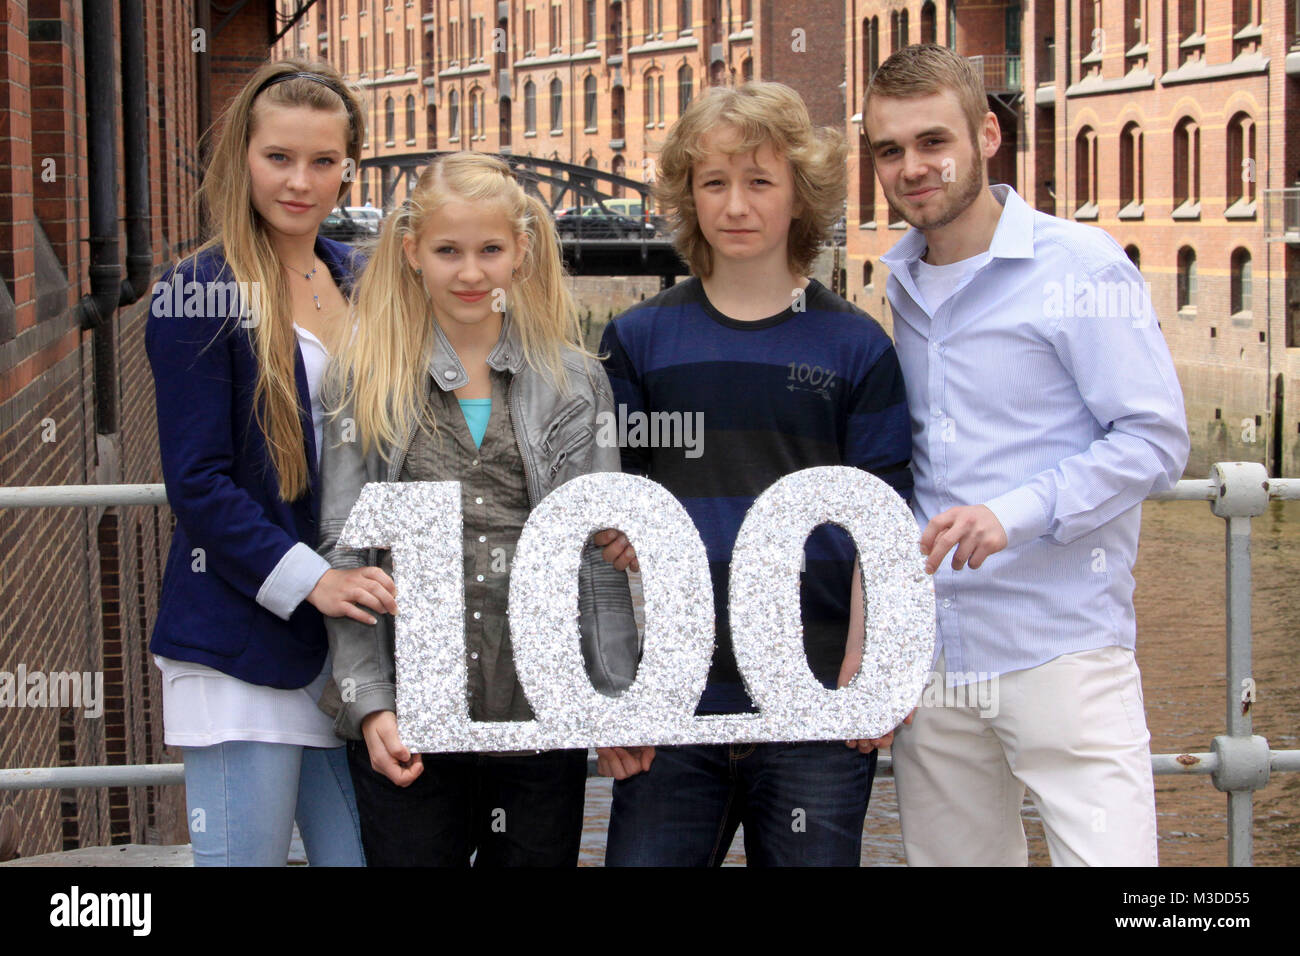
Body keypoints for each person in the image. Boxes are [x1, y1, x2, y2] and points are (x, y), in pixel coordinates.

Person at [863, 43, 1190, 866]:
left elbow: (1154, 440)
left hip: (1062, 646)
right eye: (890, 150)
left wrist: (1013, 515)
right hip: (936, 659)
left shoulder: (1079, 265)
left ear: (986, 135)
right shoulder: (897, 281)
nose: (913, 168)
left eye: (933, 142)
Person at [595, 82, 913, 867]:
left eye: (760, 182)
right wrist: (613, 691)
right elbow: (607, 511)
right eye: (714, 183)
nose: (736, 205)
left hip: (815, 691)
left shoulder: (855, 348)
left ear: (799, 198)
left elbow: (885, 523)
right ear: (687, 197)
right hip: (676, 694)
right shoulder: (638, 340)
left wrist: (871, 667)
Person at [317, 151, 640, 867]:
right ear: (412, 254)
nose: (470, 273)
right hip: (413, 709)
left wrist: (615, 695)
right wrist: (371, 703)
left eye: (490, 249)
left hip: (536, 707)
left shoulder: (575, 381)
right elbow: (346, 553)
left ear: (521, 252)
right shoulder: (365, 379)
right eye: (447, 251)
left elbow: (595, 558)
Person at [146, 60, 393, 866]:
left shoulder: (361, 280)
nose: (300, 181)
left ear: (348, 165)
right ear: (242, 160)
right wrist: (311, 580)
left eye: (323, 161)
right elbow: (198, 482)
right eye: (278, 158)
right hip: (242, 651)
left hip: (347, 654)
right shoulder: (199, 294)